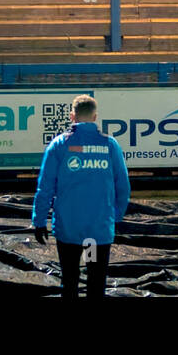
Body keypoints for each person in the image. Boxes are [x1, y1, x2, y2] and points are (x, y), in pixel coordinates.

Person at [32, 94, 130, 298]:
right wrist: (115, 216)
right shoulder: (110, 145)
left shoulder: (59, 145)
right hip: (96, 231)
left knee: (69, 280)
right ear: (95, 117)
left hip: (69, 229)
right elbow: (123, 186)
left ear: (72, 116)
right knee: (95, 280)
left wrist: (39, 221)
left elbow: (45, 187)